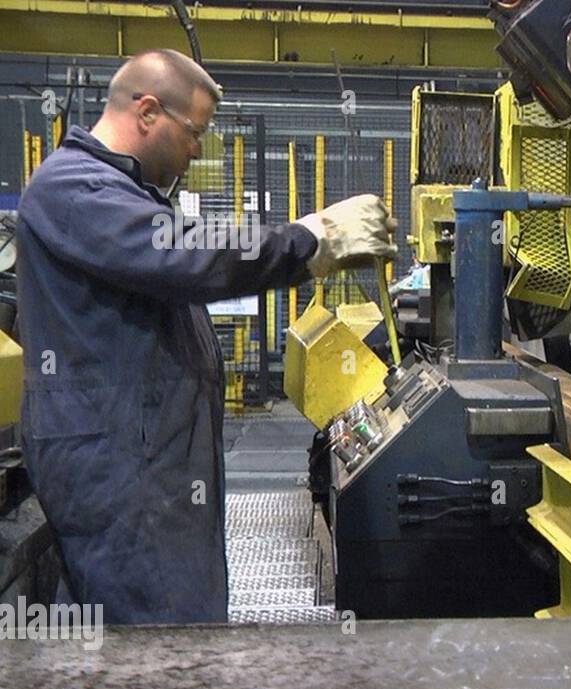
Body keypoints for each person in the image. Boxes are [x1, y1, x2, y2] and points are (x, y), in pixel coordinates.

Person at [16, 49, 397, 624]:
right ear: (147, 111)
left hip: (145, 470)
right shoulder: (74, 191)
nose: (199, 150)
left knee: (168, 629)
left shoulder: (120, 195)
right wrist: (312, 239)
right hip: (122, 480)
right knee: (158, 639)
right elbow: (189, 255)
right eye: (195, 132)